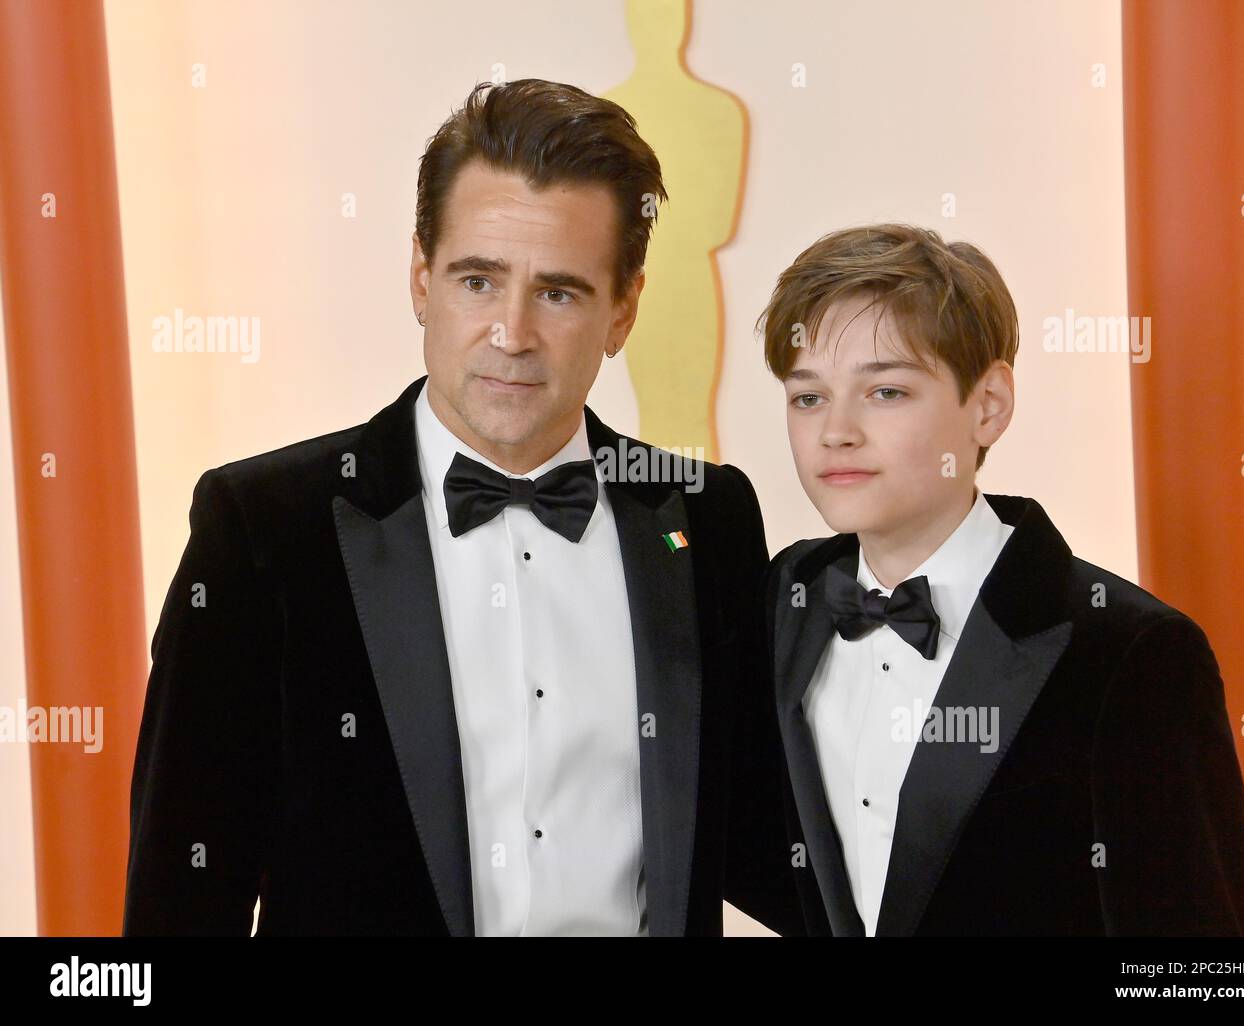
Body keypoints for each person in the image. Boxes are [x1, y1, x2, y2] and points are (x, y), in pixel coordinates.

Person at [123, 78, 801, 937]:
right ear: (420, 279)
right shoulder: (262, 528)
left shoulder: (708, 517)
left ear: (624, 308)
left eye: (558, 292)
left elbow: (767, 842)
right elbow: (183, 889)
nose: (512, 332)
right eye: (478, 280)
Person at [757, 222, 1244, 936]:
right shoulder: (789, 598)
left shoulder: (1133, 654)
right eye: (808, 398)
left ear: (987, 405)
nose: (836, 430)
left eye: (886, 392)